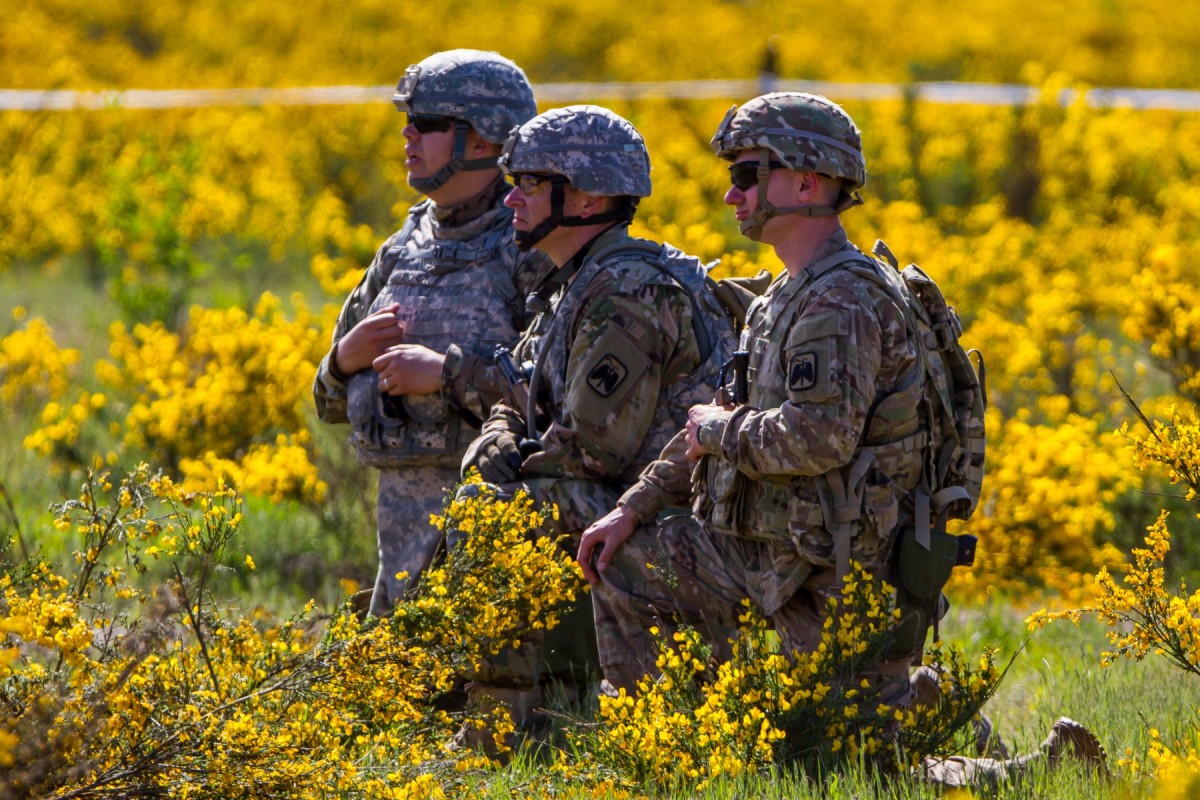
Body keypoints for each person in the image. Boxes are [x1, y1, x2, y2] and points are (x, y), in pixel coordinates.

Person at [576, 91, 1107, 787]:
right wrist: (633, 507)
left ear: (807, 183)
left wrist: (720, 430)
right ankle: (677, 753)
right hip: (769, 555)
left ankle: (1032, 769)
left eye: (746, 175)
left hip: (838, 576)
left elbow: (817, 438)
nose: (732, 195)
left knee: (851, 775)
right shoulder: (784, 295)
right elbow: (714, 419)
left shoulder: (844, 300)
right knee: (626, 560)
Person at [442, 104, 737, 748]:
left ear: (588, 197)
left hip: (670, 514)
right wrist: (496, 437)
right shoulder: (575, 280)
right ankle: (545, 699)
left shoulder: (624, 292)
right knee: (495, 491)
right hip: (628, 501)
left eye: (530, 183)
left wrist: (510, 466)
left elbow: (592, 453)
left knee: (495, 512)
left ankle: (501, 729)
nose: (511, 198)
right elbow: (522, 393)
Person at [312, 49, 548, 618]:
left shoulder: (533, 248)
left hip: (499, 552)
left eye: (429, 122)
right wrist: (344, 360)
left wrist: (445, 375)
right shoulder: (403, 248)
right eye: (408, 120)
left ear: (485, 140)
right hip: (397, 560)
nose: (408, 134)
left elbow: (562, 398)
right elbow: (327, 401)